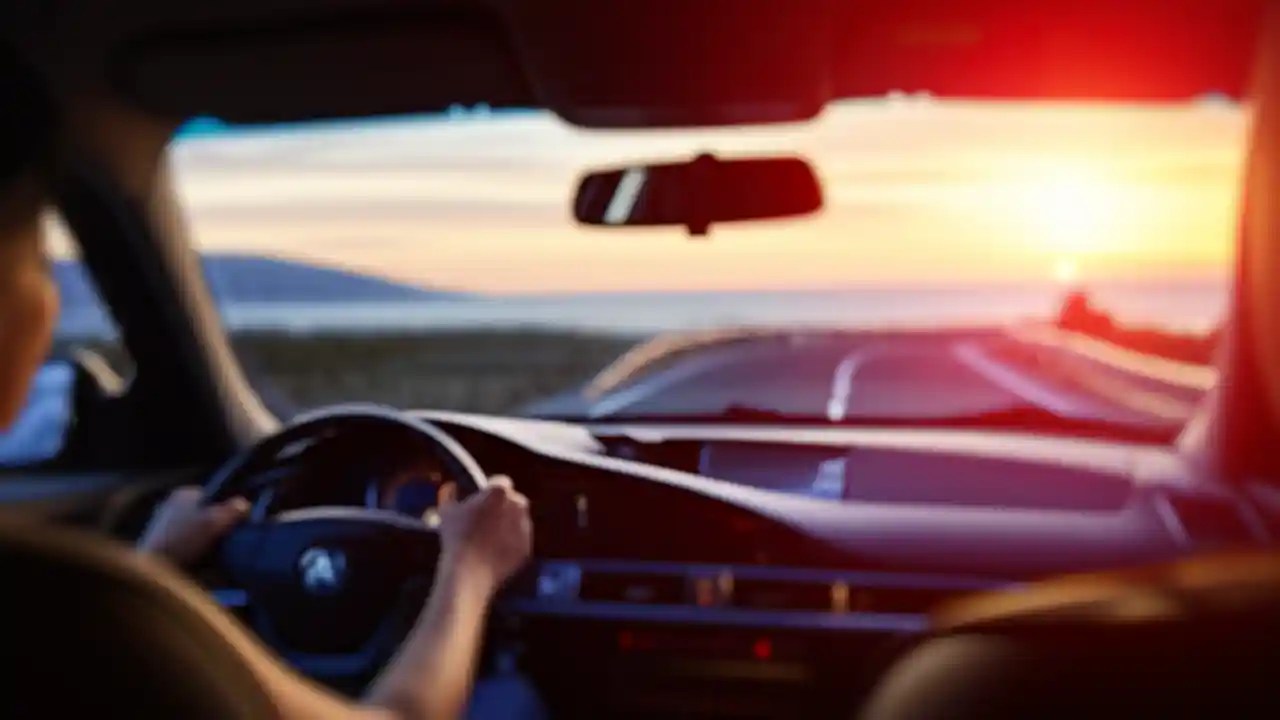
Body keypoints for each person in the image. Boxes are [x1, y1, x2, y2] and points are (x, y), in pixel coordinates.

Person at [0, 46, 538, 720]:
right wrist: (470, 568)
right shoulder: (64, 603)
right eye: (38, 258)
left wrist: (156, 564)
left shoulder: (72, 612)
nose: (49, 298)